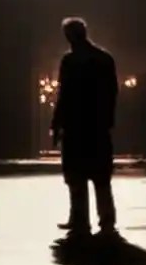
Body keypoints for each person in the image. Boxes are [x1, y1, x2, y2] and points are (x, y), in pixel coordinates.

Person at [50, 17, 118, 235]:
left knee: (76, 176)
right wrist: (108, 119)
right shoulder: (104, 58)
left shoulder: (69, 62)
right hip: (97, 126)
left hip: (75, 127)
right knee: (101, 176)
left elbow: (64, 95)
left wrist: (57, 124)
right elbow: (112, 92)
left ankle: (79, 219)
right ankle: (106, 219)